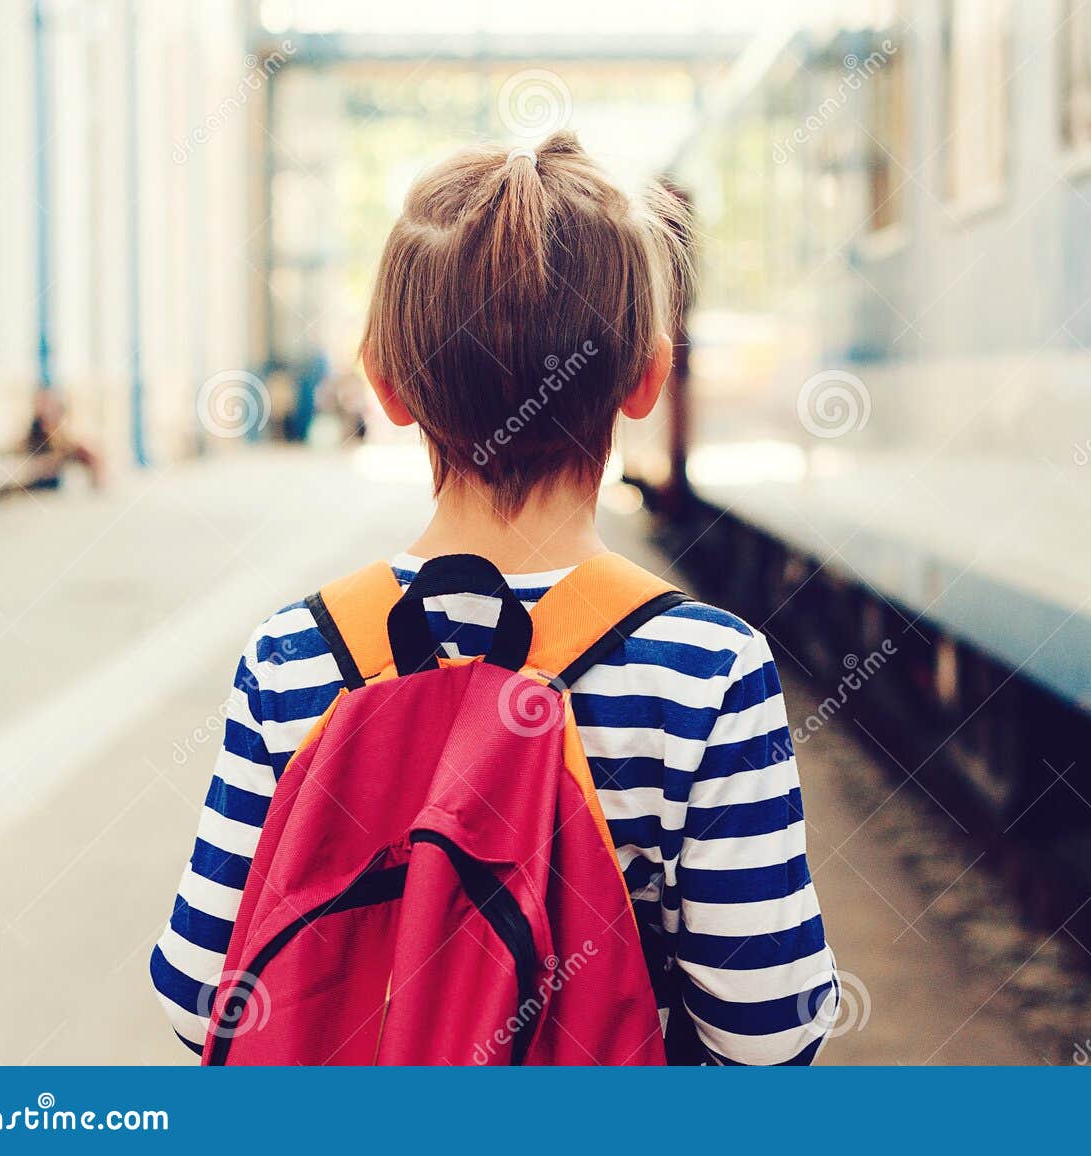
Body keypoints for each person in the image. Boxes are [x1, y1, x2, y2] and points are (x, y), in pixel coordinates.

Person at [150, 132, 835, 1065]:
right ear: (647, 379)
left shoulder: (292, 657)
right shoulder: (710, 672)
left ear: (387, 386)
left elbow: (201, 1000)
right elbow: (769, 1026)